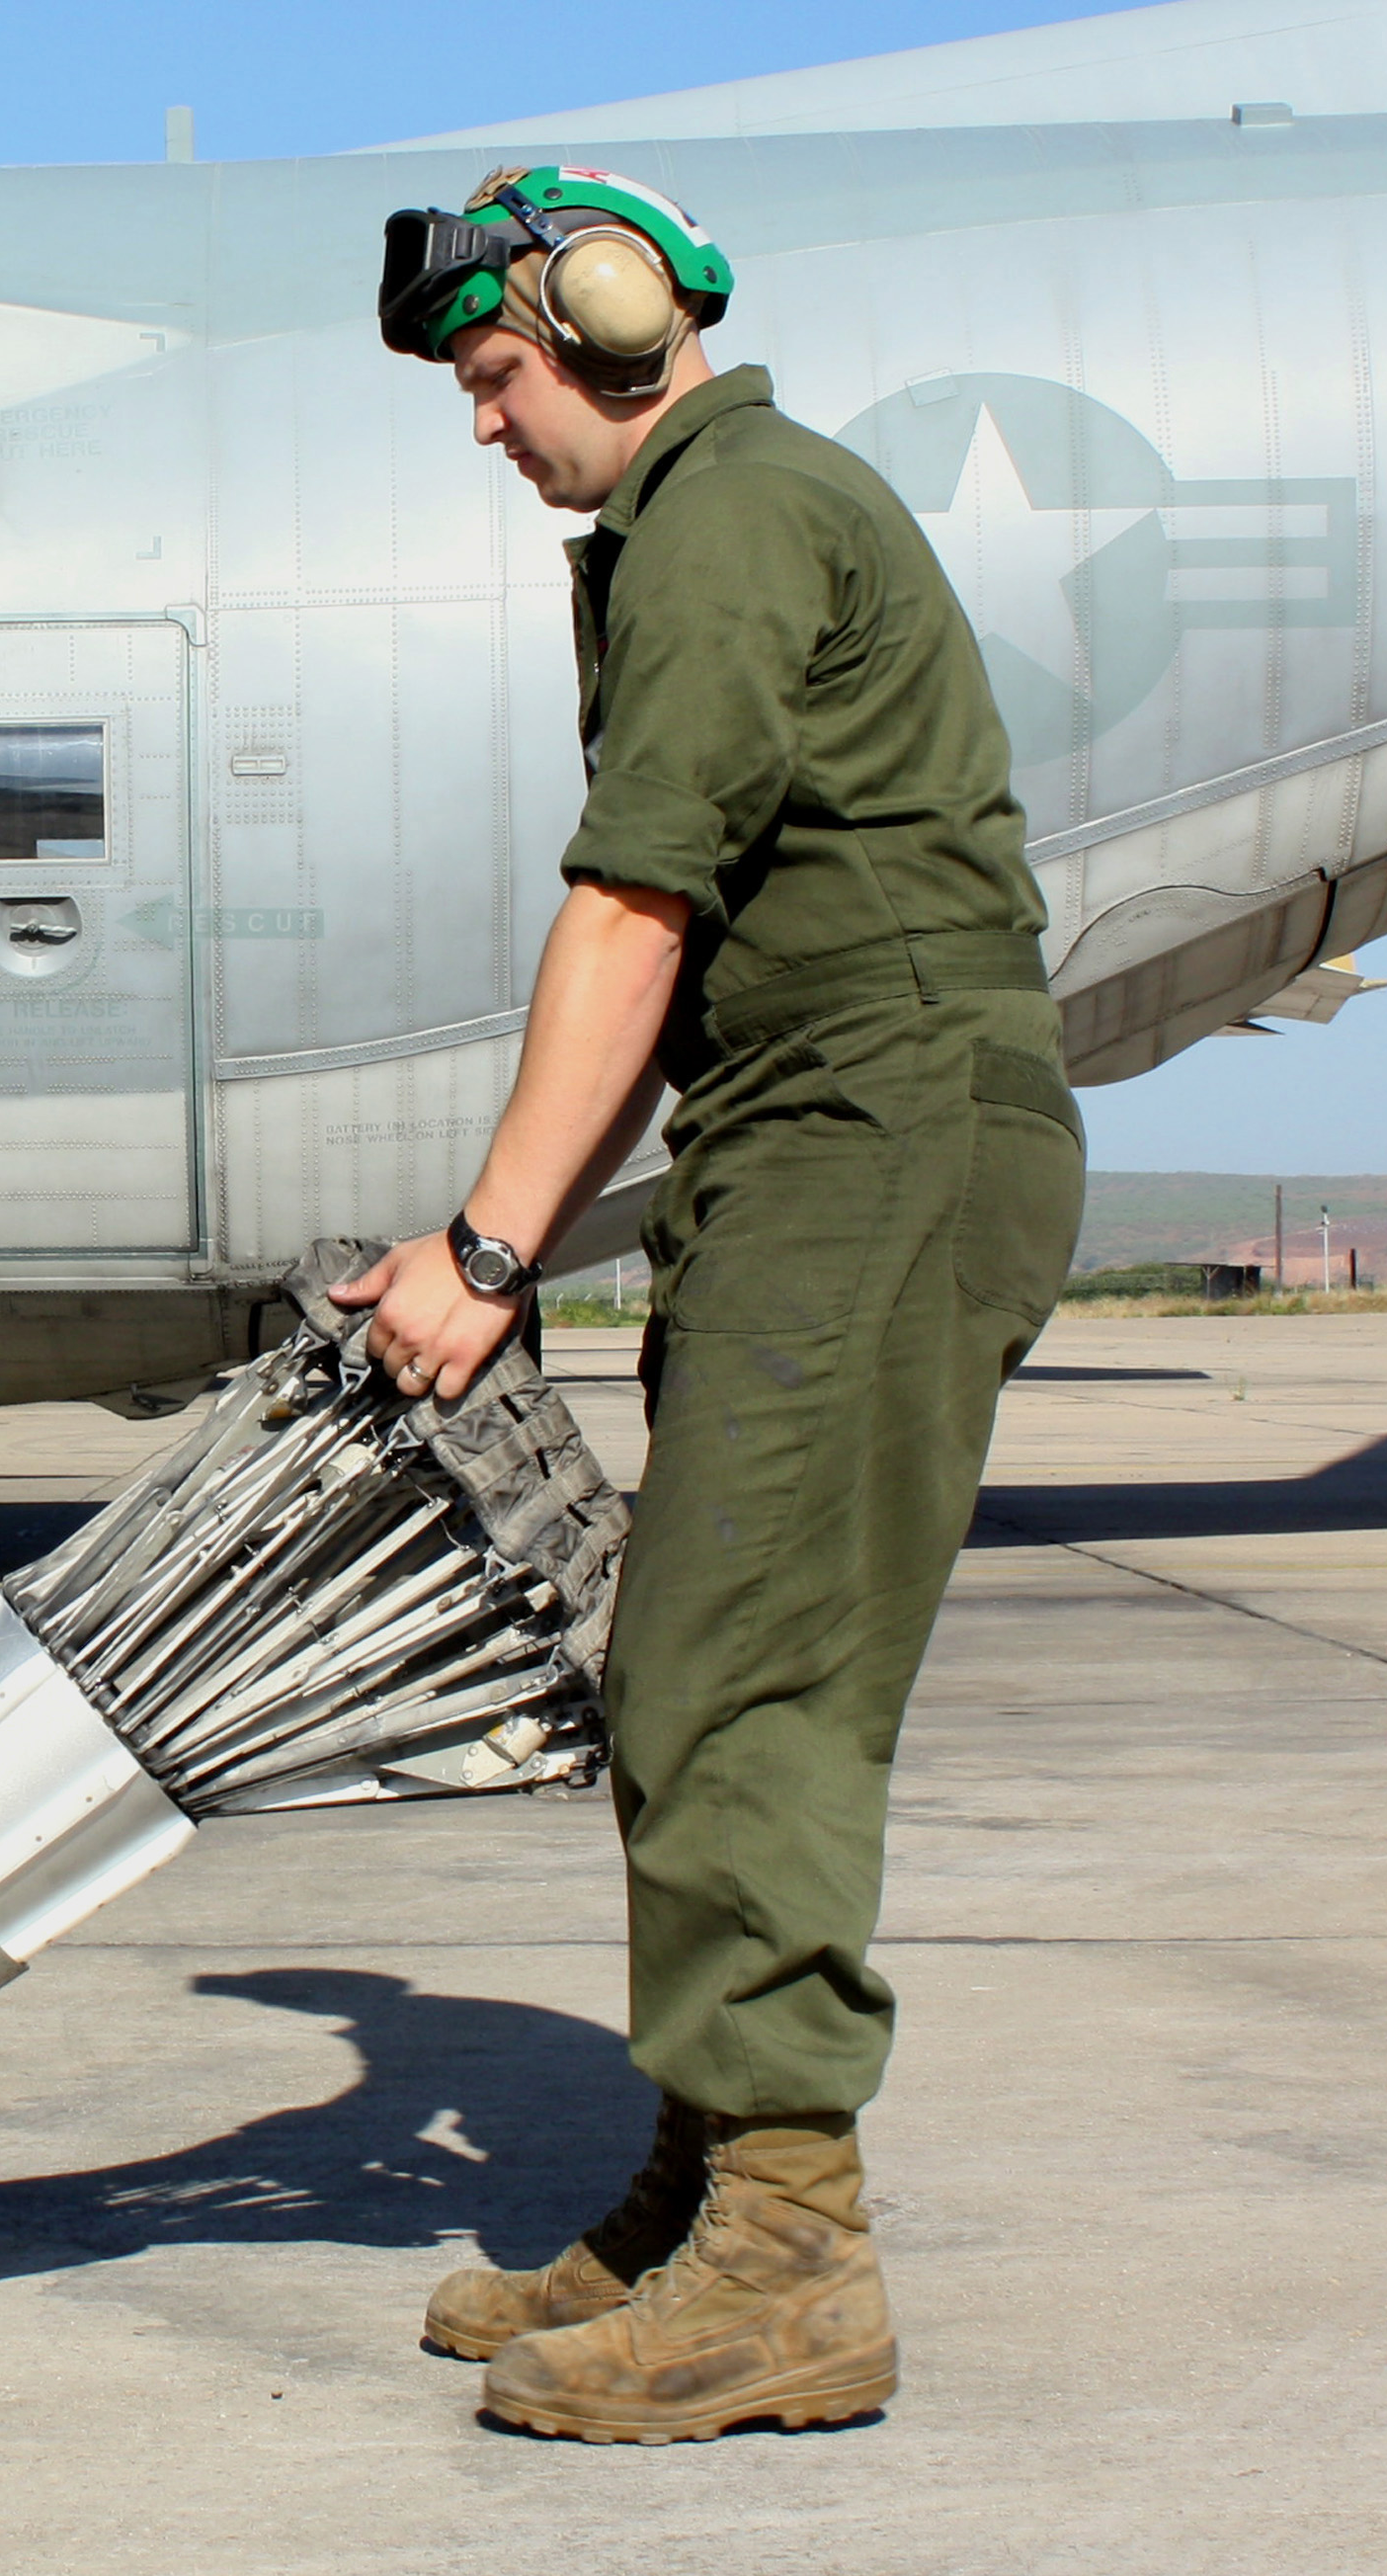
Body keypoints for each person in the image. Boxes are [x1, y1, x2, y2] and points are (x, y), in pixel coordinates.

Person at [338, 169, 1084, 2444]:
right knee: (688, 1660)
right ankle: (704, 2178)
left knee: (738, 1664)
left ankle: (789, 2253)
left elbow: (639, 906)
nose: (483, 425)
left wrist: (483, 1254)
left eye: (492, 377)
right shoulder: (693, 526)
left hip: (879, 1127)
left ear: (606, 319)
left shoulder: (738, 514)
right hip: (806, 1135)